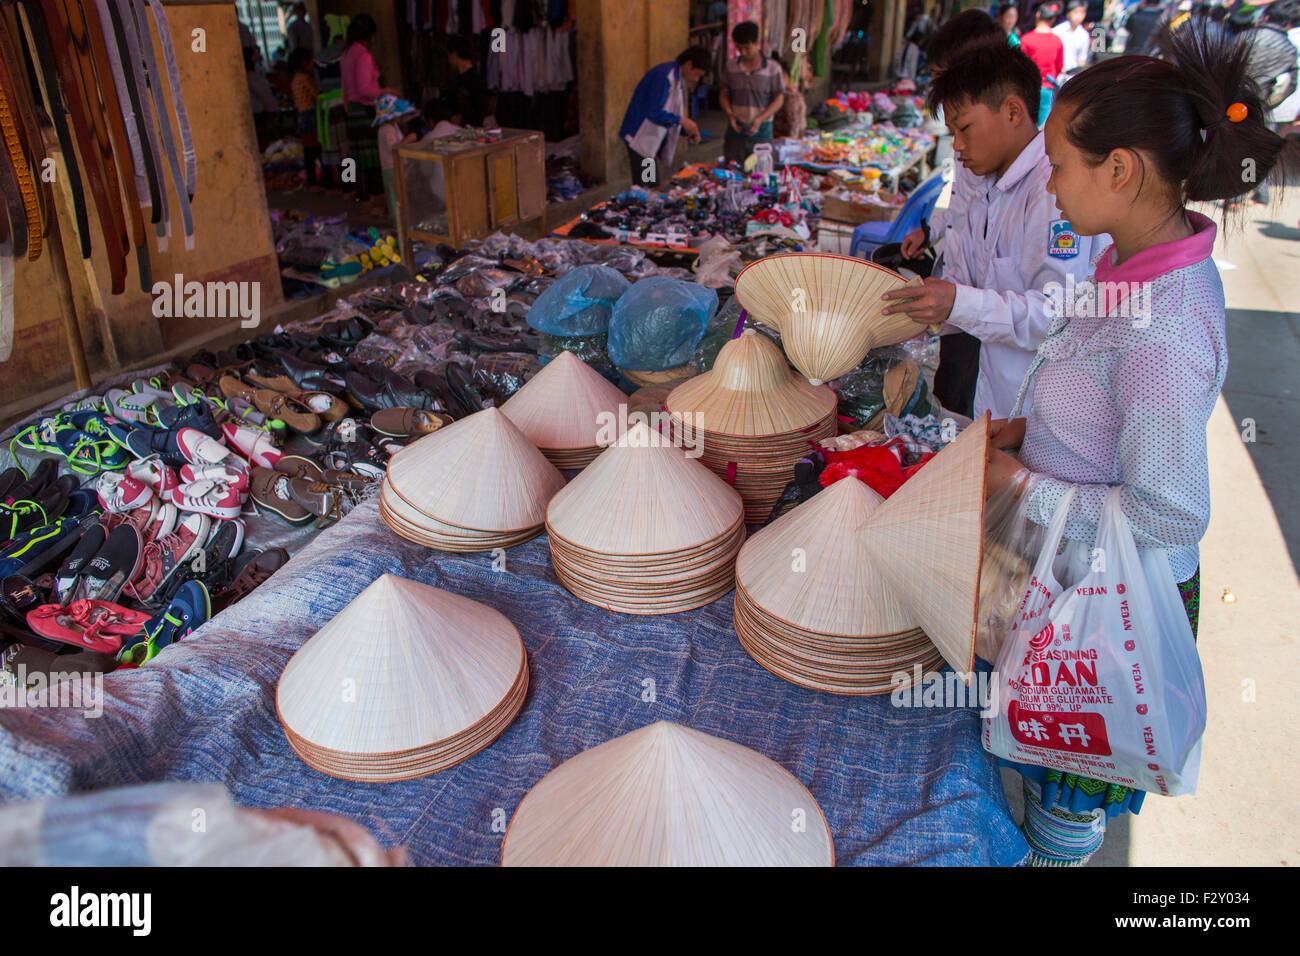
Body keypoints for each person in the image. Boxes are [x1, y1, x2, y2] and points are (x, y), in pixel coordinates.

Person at [985, 24, 1293, 866]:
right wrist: (1029, 432)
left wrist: (1020, 485)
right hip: (1064, 577)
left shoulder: (1163, 326)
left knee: (1064, 804)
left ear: (1119, 170)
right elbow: (1097, 411)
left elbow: (1167, 513)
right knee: (1034, 761)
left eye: (1057, 163)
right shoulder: (1135, 261)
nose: (1047, 185)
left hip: (1100, 611)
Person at [879, 41, 1101, 420]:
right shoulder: (987, 176)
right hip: (989, 384)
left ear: (1013, 110)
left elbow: (1058, 316)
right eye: (952, 133)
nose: (959, 146)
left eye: (965, 128)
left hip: (1035, 410)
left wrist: (956, 302)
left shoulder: (1052, 191)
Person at [903, 8, 1009, 417]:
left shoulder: (1033, 178)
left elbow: (1051, 308)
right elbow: (961, 204)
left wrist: (964, 303)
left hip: (985, 320)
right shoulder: (974, 140)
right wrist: (932, 231)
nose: (958, 146)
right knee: (950, 397)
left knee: (970, 412)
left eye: (943, 76)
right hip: (962, 306)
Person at [619, 46, 707, 187]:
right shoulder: (665, 76)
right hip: (640, 138)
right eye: (697, 74)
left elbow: (669, 112)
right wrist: (682, 121)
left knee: (651, 182)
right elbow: (653, 112)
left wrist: (685, 130)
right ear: (689, 64)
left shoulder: (676, 78)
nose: (696, 79)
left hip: (649, 140)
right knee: (647, 187)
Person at [341, 14, 396, 204]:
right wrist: (385, 91)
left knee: (359, 160)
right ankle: (375, 199)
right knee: (372, 158)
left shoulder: (347, 54)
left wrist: (349, 109)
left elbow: (346, 88)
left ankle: (363, 198)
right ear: (370, 35)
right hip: (365, 110)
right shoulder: (363, 55)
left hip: (353, 110)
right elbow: (365, 89)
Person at [719, 21, 785, 166]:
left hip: (762, 135)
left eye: (746, 48)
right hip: (734, 134)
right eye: (739, 48)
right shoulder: (731, 66)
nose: (742, 52)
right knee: (732, 175)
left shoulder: (773, 68)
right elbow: (724, 93)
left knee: (761, 179)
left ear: (756, 42)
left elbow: (779, 99)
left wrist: (760, 119)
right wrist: (730, 113)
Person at [373, 94, 419, 225]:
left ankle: (403, 219)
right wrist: (409, 139)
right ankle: (397, 221)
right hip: (390, 167)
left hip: (397, 165)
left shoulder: (393, 127)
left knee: (400, 193)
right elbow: (393, 148)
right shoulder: (386, 129)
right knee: (394, 195)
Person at [1020, 2, 1066, 125]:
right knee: (1042, 126)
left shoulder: (1026, 39)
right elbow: (1059, 66)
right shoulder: (1057, 41)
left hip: (1028, 88)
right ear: (1053, 19)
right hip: (1047, 88)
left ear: (1038, 14)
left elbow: (1020, 66)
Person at [289, 48, 325, 190]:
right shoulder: (304, 78)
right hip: (311, 115)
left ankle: (313, 181)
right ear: (304, 62)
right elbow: (316, 95)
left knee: (309, 150)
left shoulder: (295, 79)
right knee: (315, 149)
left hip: (303, 116)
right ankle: (315, 182)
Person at [445, 34, 490, 127]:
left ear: (454, 54)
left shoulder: (474, 80)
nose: (448, 60)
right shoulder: (458, 79)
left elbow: (481, 109)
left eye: (449, 55)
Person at [1053, 0, 1093, 72]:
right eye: (1076, 12)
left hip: (1072, 75)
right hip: (1057, 73)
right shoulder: (1057, 31)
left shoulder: (1084, 35)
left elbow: (1081, 60)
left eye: (1082, 12)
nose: (1079, 16)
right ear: (1068, 14)